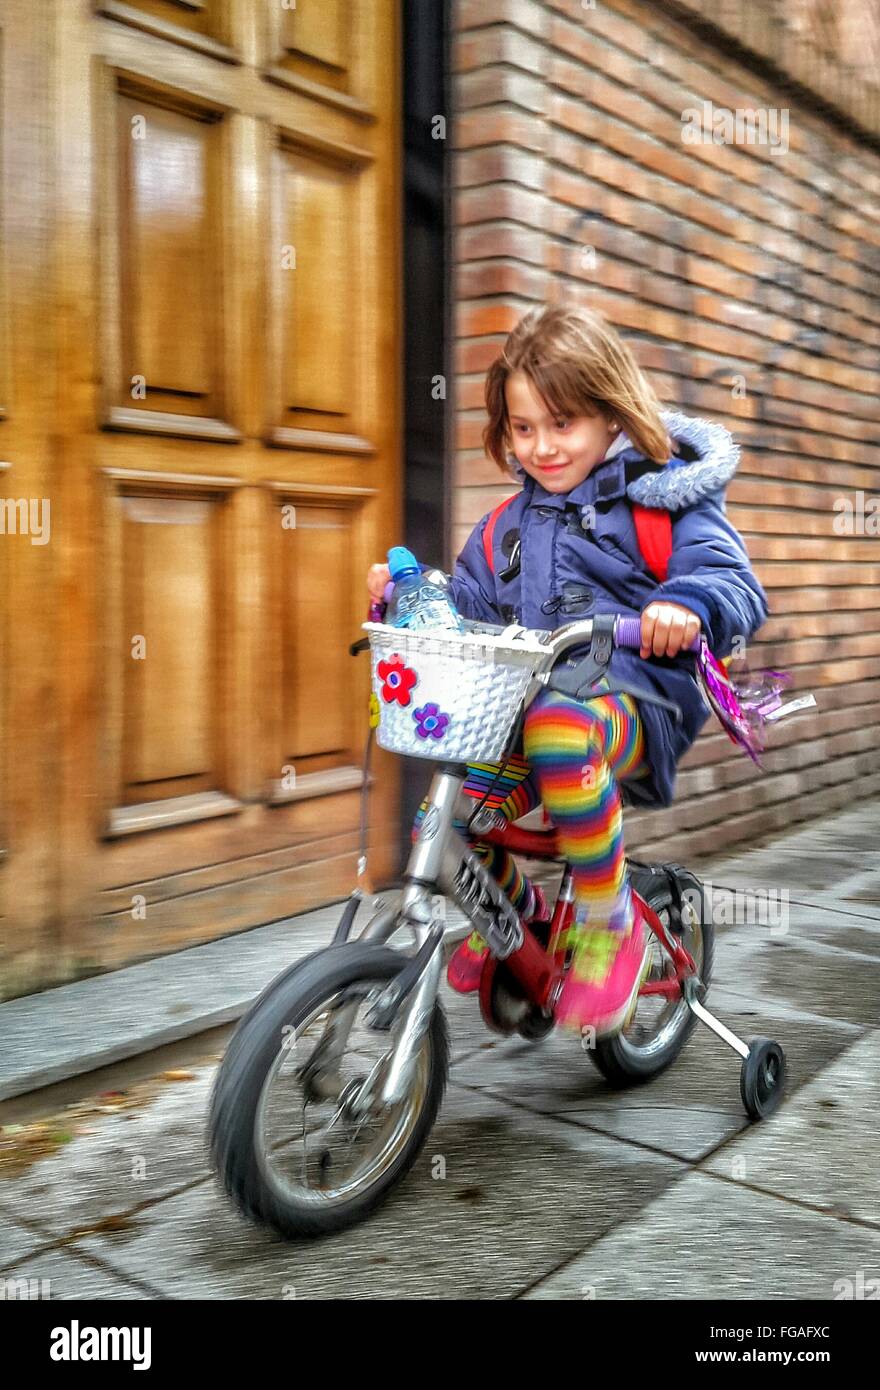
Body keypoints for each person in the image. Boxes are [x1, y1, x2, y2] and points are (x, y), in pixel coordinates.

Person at [367, 304, 768, 1037]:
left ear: (611, 417)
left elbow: (732, 582)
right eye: (524, 429)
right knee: (448, 816)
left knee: (560, 721)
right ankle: (521, 928)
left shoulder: (662, 499)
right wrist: (412, 596)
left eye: (563, 424)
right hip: (531, 707)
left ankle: (608, 923)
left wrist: (684, 605)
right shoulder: (505, 529)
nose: (542, 448)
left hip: (637, 700)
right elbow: (465, 613)